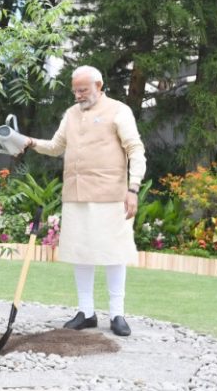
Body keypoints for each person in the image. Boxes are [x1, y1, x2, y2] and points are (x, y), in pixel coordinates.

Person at [25, 65, 146, 336]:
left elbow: (135, 149)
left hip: (111, 195)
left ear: (99, 86)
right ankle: (86, 312)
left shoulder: (119, 110)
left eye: (84, 90)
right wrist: (31, 142)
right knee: (81, 253)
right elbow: (57, 147)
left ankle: (117, 314)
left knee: (115, 254)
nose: (79, 95)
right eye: (75, 91)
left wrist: (133, 188)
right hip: (76, 195)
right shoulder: (70, 114)